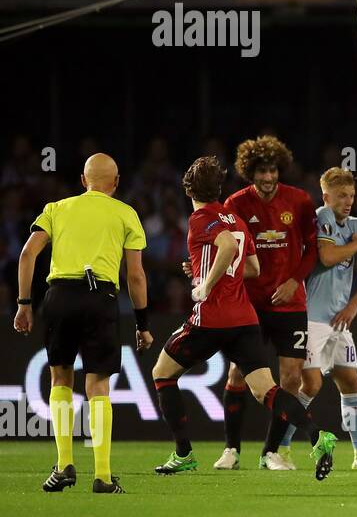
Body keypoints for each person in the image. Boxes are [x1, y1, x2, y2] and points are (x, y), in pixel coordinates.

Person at [154, 157, 337, 480]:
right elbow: (251, 268)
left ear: (188, 189)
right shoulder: (236, 218)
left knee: (162, 374)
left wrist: (206, 284)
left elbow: (224, 246)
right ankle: (316, 434)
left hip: (210, 318)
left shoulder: (201, 217)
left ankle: (183, 453)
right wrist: (201, 268)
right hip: (245, 319)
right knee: (265, 390)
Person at [13, 153, 150, 494]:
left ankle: (63, 466)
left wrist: (24, 303)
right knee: (98, 385)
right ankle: (102, 476)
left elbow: (28, 254)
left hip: (59, 296)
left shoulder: (57, 208)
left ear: (82, 180)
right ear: (115, 183)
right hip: (99, 297)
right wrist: (142, 323)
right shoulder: (125, 213)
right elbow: (135, 275)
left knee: (60, 376)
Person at [212, 135, 318, 471]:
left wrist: (293, 280)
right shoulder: (235, 204)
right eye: (261, 172)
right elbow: (222, 250)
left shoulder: (300, 201)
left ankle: (271, 452)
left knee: (290, 380)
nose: (268, 178)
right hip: (250, 307)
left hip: (291, 305)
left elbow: (313, 250)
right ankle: (231, 450)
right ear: (249, 172)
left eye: (273, 170)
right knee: (237, 375)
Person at [295, 168, 357, 470]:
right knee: (310, 385)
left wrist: (354, 305)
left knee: (350, 380)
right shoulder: (321, 218)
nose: (348, 201)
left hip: (339, 320)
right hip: (311, 319)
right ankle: (278, 448)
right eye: (342, 196)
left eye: (351, 196)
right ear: (326, 196)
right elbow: (327, 257)